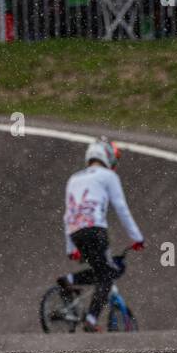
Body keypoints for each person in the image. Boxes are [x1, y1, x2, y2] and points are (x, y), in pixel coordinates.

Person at [56, 139, 145, 333]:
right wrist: (137, 237)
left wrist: (71, 248)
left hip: (76, 232)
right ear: (108, 157)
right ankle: (91, 318)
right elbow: (121, 208)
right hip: (95, 230)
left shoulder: (74, 178)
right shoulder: (108, 176)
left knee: (100, 269)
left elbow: (68, 215)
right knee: (107, 275)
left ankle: (70, 280)